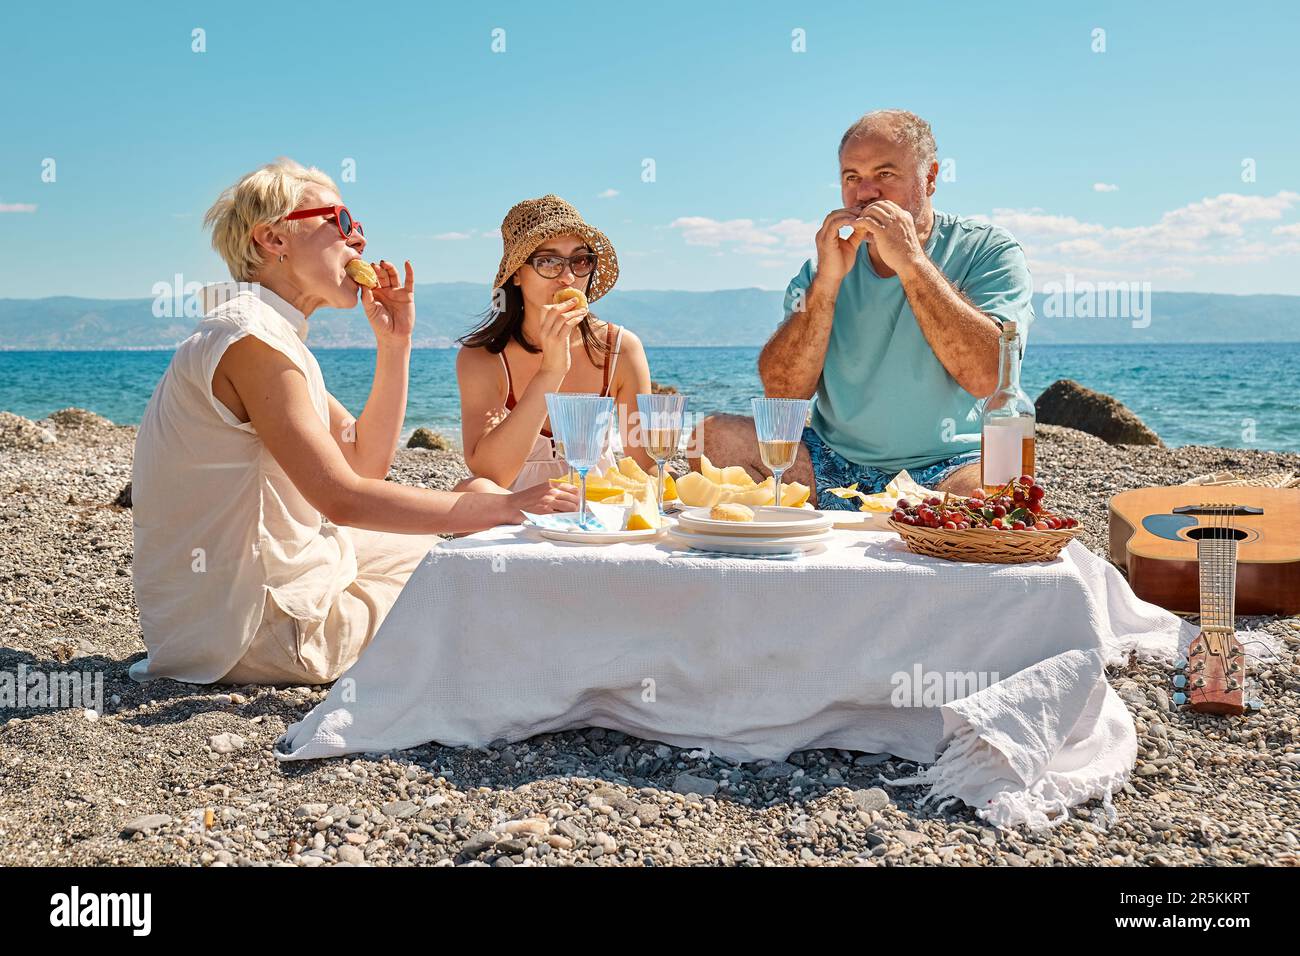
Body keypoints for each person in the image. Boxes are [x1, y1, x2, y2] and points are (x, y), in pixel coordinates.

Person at [131, 159, 577, 687]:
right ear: (273, 238)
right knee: (483, 582)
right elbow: (342, 498)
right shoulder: (253, 343)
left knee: (465, 556)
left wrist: (395, 344)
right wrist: (502, 506)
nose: (360, 239)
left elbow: (365, 459)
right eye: (341, 222)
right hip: (253, 630)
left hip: (228, 608)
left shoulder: (267, 335)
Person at [697, 110, 1034, 508]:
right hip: (829, 462)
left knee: (999, 487)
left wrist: (912, 263)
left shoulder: (988, 250)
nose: (864, 193)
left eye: (885, 175)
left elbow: (989, 377)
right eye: (852, 177)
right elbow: (783, 395)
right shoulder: (823, 267)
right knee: (711, 437)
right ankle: (878, 522)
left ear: (930, 177)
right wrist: (826, 284)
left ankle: (881, 521)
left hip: (946, 467)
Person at [456, 195, 654, 490]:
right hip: (513, 522)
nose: (568, 277)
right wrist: (551, 371)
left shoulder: (621, 349)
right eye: (548, 261)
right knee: (473, 491)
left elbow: (645, 468)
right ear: (518, 275)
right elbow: (492, 475)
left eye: (580, 260)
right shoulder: (482, 358)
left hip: (595, 515)